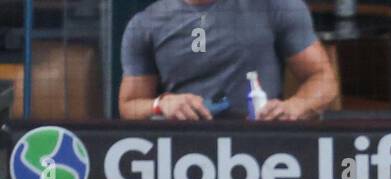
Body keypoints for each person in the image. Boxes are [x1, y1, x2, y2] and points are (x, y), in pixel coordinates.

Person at [118, 0, 338, 121]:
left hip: (259, 147)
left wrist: (295, 107)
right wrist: (161, 105)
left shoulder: (276, 5)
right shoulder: (146, 24)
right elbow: (130, 105)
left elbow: (322, 78)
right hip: (183, 151)